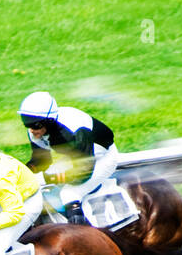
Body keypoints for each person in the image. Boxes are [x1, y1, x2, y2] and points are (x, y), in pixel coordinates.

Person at [18, 91, 119, 224]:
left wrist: (48, 178)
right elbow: (41, 161)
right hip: (75, 156)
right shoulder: (36, 130)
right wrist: (21, 174)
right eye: (27, 125)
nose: (31, 130)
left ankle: (86, 235)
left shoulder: (75, 128)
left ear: (49, 121)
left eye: (35, 126)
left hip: (103, 158)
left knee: (69, 194)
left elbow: (83, 173)